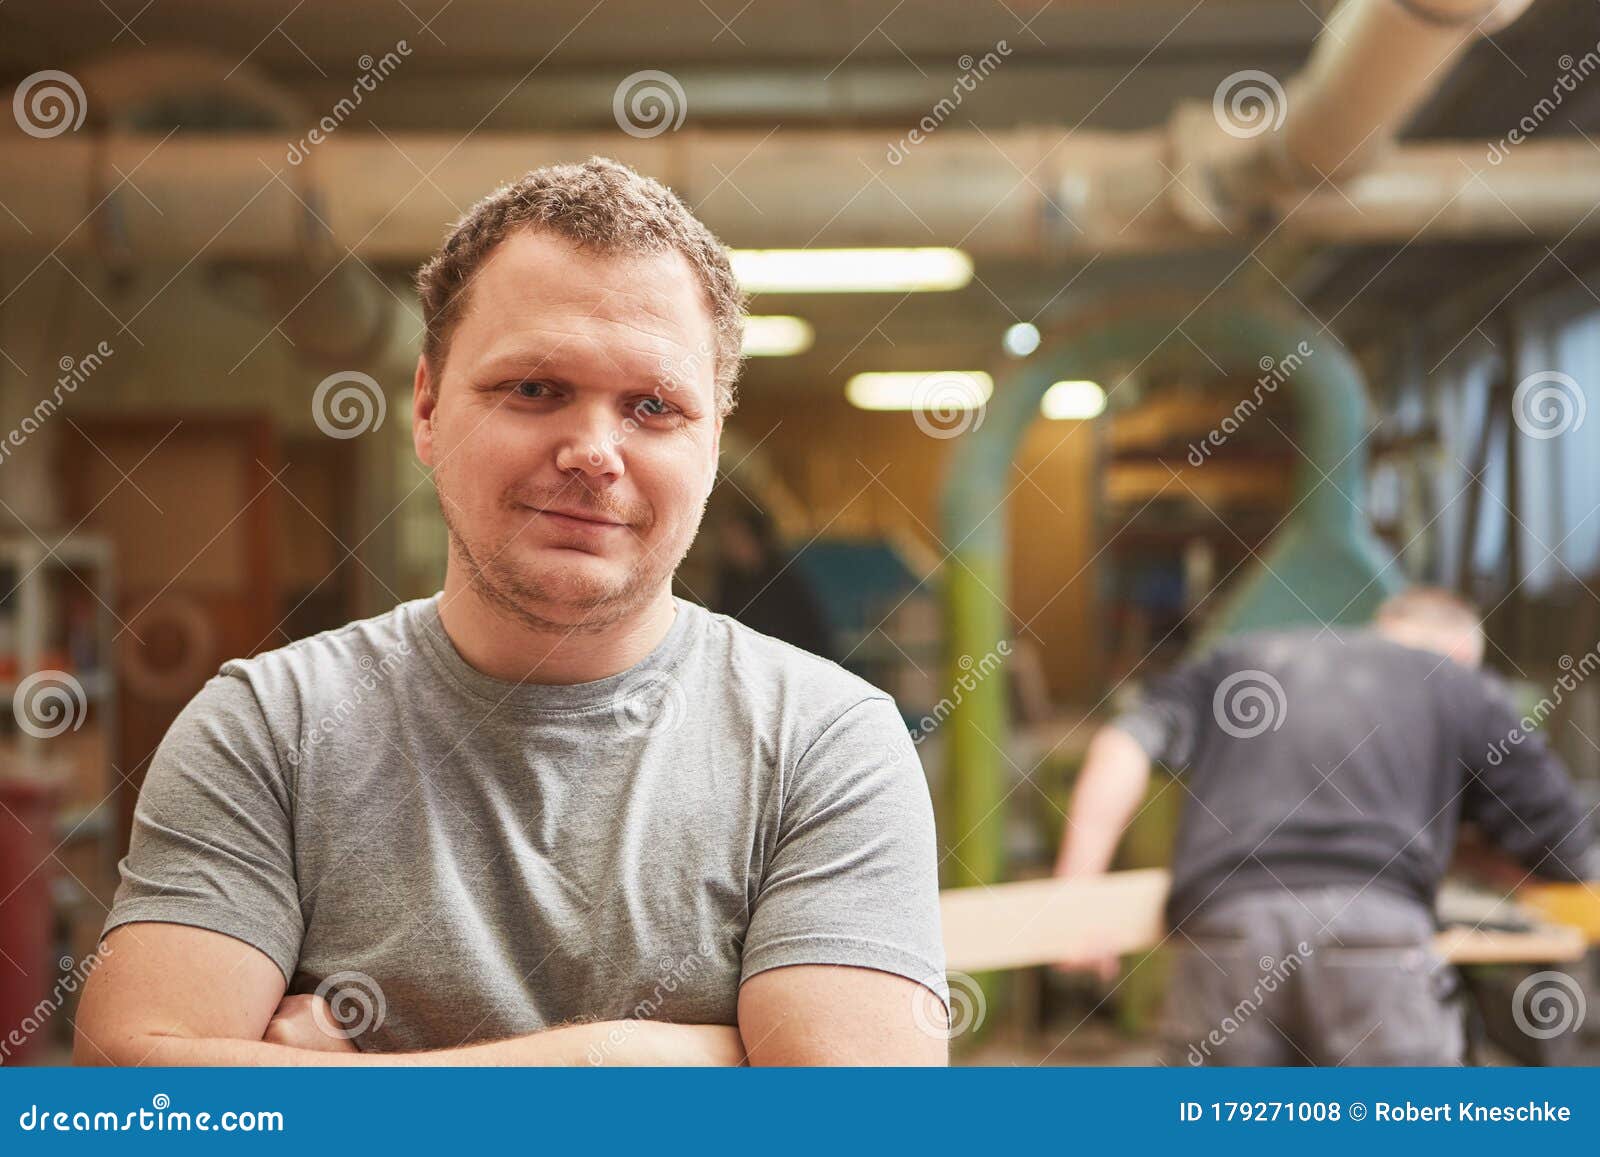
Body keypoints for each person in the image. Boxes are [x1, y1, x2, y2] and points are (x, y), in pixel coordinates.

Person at [76, 158, 948, 1067]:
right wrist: (688, 1057)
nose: (593, 453)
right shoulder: (269, 729)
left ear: (713, 440)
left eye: (653, 406)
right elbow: (133, 1095)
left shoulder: (824, 743)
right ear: (425, 405)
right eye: (535, 389)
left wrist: (350, 1083)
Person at [1054, 587, 1597, 1066]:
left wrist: (1076, 892)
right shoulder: (1454, 681)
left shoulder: (1247, 657)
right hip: (1374, 940)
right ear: (1457, 652)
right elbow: (1563, 844)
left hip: (1226, 933)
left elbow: (1122, 744)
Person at [713, 505, 836, 660]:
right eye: (728, 540)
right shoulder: (729, 583)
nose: (731, 547)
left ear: (756, 539)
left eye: (738, 539)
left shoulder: (785, 583)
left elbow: (813, 637)